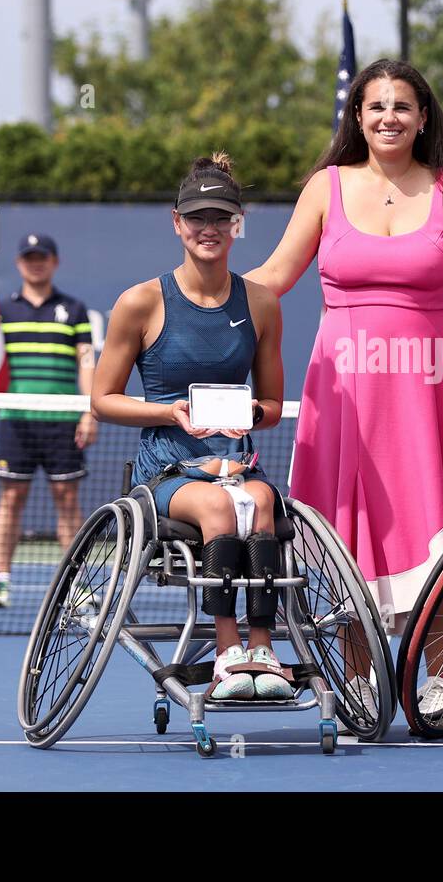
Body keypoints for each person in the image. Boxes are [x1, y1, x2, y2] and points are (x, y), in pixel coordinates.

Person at [245, 60, 443, 686]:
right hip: (344, 393)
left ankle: (437, 683)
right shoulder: (324, 188)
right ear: (358, 116)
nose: (388, 118)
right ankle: (357, 684)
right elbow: (272, 277)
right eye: (376, 106)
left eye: (402, 107)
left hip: (432, 392)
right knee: (349, 537)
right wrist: (198, 297)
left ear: (423, 117)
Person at [91, 152, 292, 701]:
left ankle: (263, 650)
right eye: (197, 218)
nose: (209, 229)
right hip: (168, 473)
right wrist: (169, 411)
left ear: (237, 224)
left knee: (263, 504)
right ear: (177, 223)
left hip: (237, 464)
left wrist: (251, 413)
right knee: (219, 507)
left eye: (221, 218)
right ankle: (229, 654)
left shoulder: (263, 304)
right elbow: (102, 399)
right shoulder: (140, 302)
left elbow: (273, 404)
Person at [0, 233, 97, 609]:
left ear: (55, 261)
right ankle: (0, 583)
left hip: (62, 422)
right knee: (11, 498)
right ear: (19, 263)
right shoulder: (1, 311)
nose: (36, 263)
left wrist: (88, 410)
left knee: (67, 500)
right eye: (29, 257)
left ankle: (75, 587)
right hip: (15, 421)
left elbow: (86, 362)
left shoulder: (74, 309)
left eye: (42, 256)